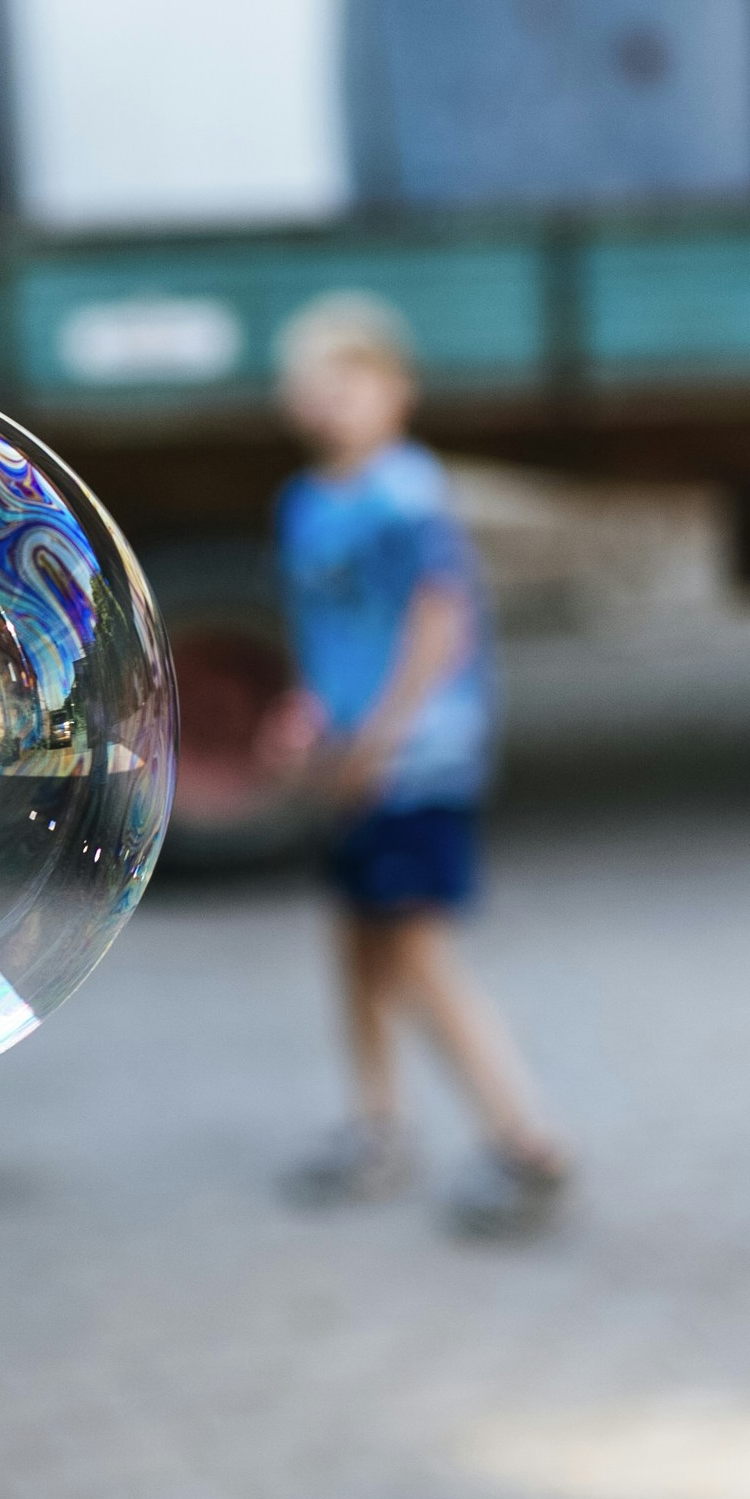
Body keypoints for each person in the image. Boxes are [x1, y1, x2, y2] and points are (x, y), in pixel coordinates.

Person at [261, 293, 576, 1241]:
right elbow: (327, 635)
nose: (332, 400)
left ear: (397, 391)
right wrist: (308, 714)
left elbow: (441, 622)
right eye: (314, 384)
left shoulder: (409, 492)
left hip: (418, 756)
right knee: (356, 938)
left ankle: (526, 1142)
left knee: (416, 948)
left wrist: (382, 738)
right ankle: (378, 1127)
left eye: (352, 379)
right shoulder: (305, 506)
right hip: (356, 754)